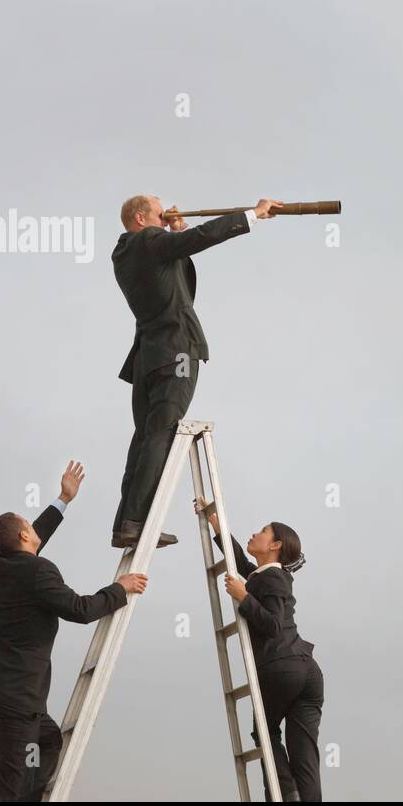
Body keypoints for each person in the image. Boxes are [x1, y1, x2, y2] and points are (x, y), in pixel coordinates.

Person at [110, 195, 283, 548]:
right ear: (141, 218)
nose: (166, 215)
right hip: (176, 350)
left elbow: (169, 275)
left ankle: (126, 523)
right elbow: (202, 236)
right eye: (159, 212)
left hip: (147, 358)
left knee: (144, 438)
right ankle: (137, 521)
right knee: (162, 433)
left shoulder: (124, 252)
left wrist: (174, 235)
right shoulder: (150, 240)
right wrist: (252, 214)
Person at [0, 460, 148, 801]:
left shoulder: (4, 565)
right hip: (18, 693)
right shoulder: (36, 571)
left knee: (49, 741)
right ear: (24, 536)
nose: (32, 526)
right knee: (15, 777)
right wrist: (121, 588)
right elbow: (80, 610)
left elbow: (29, 544)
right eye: (28, 524)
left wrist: (63, 499)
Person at [198, 499, 323, 801]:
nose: (255, 533)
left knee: (264, 732)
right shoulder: (265, 575)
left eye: (263, 531)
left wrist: (243, 597)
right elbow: (240, 563)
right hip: (307, 674)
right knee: (304, 753)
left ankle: (286, 794)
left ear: (275, 545)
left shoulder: (273, 578)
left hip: (282, 667)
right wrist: (217, 526)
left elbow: (273, 625)